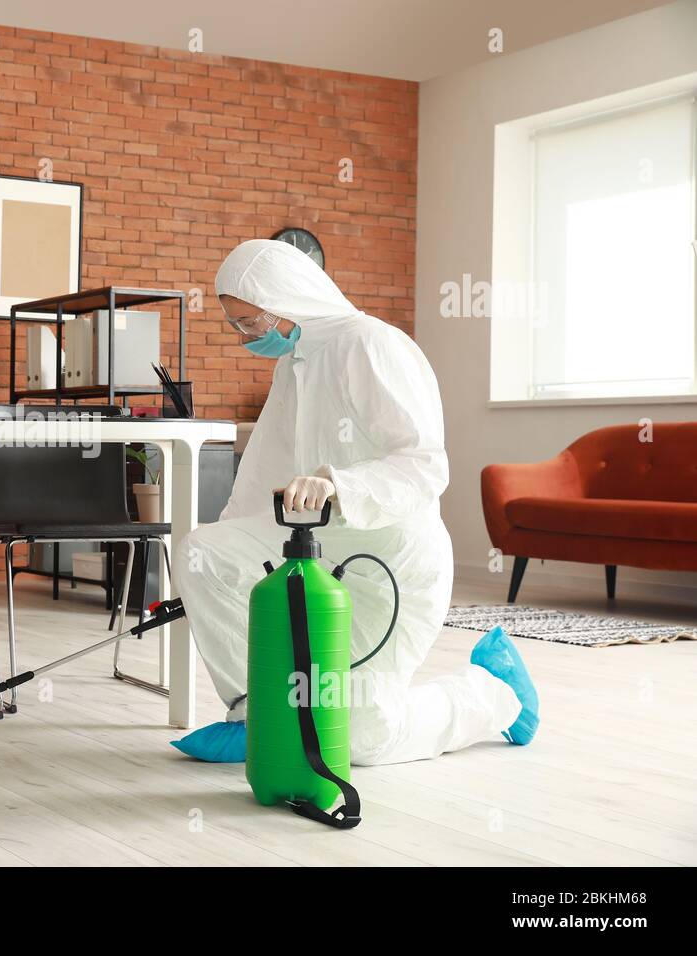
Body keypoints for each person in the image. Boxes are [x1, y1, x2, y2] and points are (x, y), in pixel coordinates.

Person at [171, 239, 538, 765]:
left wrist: (340, 484)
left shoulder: (372, 345)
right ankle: (256, 714)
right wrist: (207, 578)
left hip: (392, 567)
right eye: (237, 325)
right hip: (323, 555)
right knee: (201, 551)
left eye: (250, 324)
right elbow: (261, 479)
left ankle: (494, 695)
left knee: (358, 735)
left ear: (285, 303)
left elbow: (423, 465)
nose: (246, 337)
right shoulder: (295, 364)